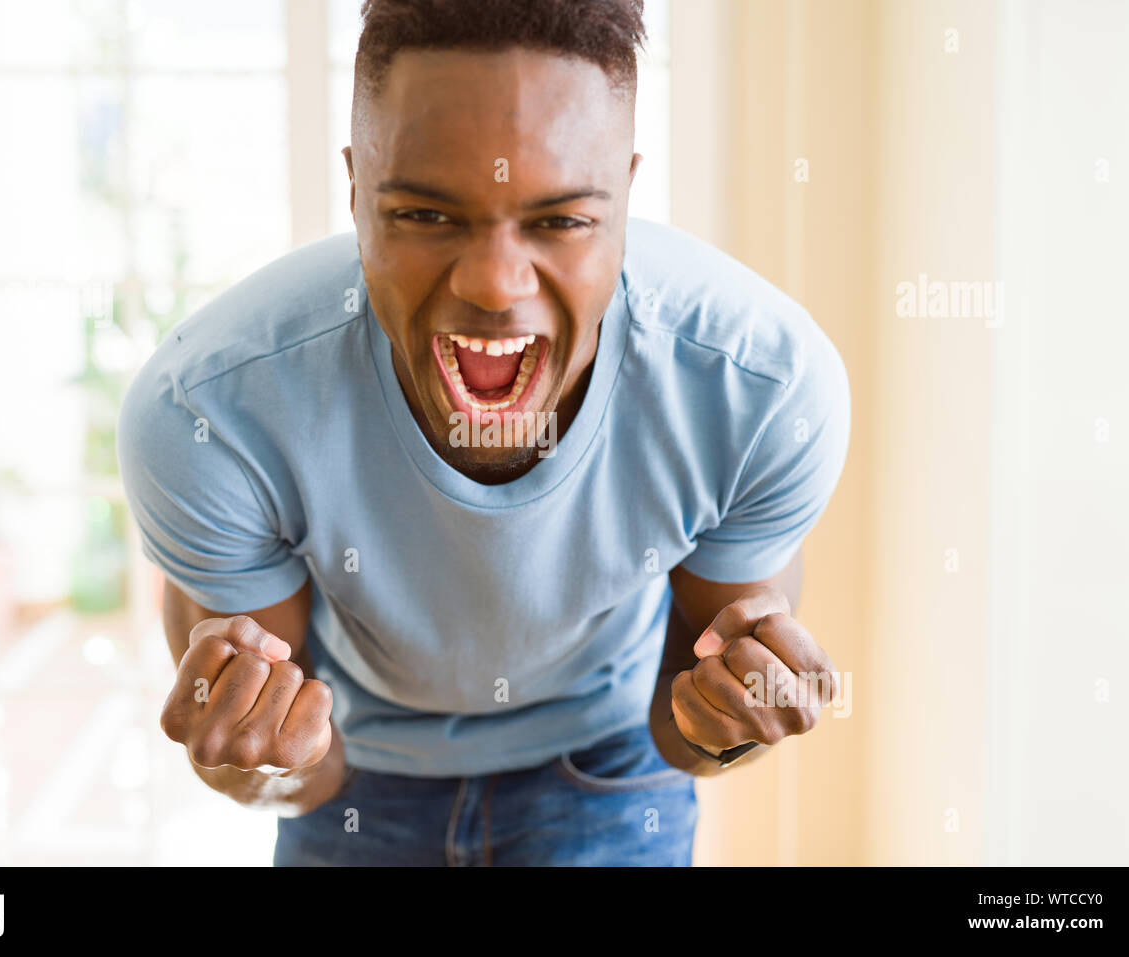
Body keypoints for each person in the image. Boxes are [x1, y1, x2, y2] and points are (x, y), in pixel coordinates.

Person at [117, 0, 850, 866]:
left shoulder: (759, 387)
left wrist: (731, 722)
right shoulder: (210, 413)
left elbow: (691, 730)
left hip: (611, 762)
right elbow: (285, 769)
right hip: (354, 777)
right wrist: (255, 755)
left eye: (562, 219)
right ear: (355, 191)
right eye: (426, 216)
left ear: (624, 195)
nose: (496, 284)